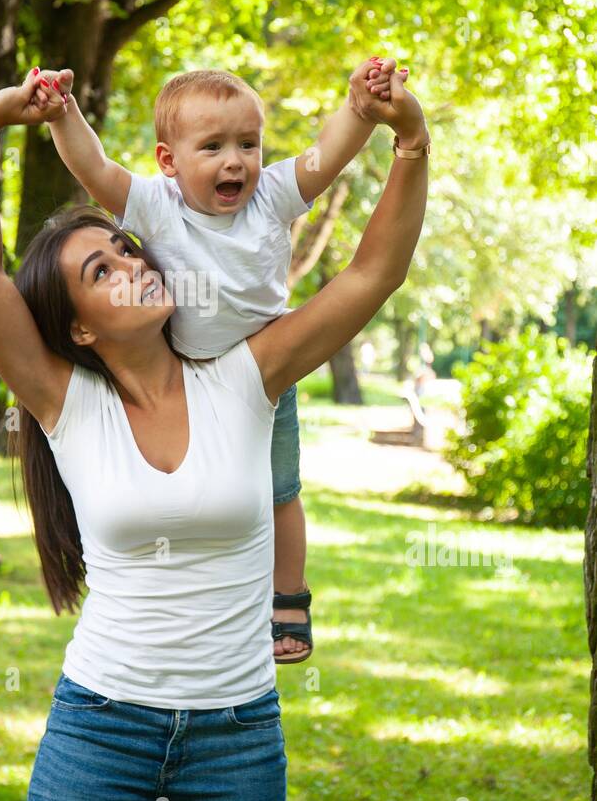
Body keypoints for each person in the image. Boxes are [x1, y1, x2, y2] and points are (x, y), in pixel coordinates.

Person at [0, 59, 430, 801]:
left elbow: (371, 276)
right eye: (102, 269)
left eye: (127, 247)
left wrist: (409, 141)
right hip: (99, 732)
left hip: (238, 739)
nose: (131, 261)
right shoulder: (65, 404)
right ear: (79, 327)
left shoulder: (246, 379)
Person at [27, 54, 404, 665]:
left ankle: (289, 596)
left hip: (265, 374)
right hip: (187, 370)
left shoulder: (273, 195)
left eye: (248, 143)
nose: (236, 161)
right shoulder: (155, 206)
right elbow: (93, 166)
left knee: (282, 490)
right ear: (168, 162)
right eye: (214, 147)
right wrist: (63, 112)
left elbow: (326, 155)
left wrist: (361, 107)